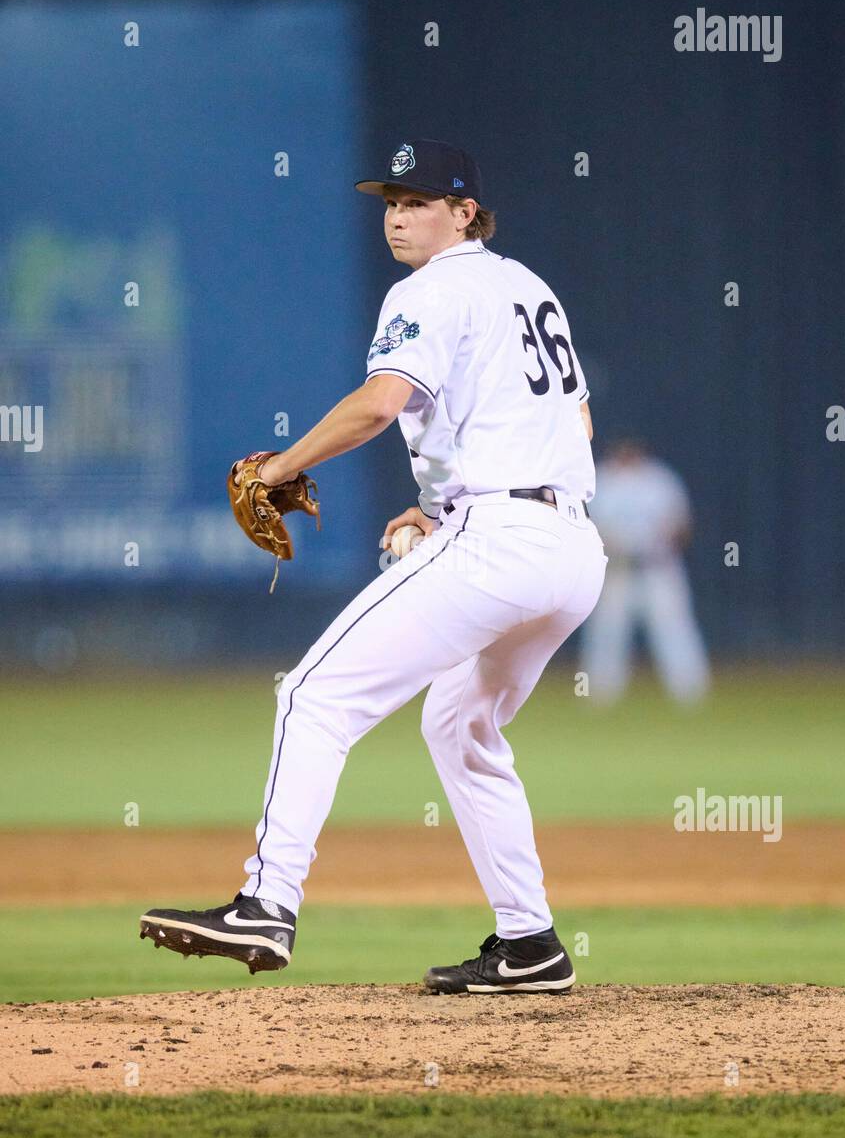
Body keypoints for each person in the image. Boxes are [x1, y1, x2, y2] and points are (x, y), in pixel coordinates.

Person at [140, 138, 607, 994]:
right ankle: (531, 941)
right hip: (573, 547)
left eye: (420, 199)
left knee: (313, 695)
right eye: (391, 199)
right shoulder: (527, 286)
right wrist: (446, 507)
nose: (398, 213)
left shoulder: (429, 289)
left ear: (465, 212)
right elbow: (573, 426)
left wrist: (279, 467)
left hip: (503, 539)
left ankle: (265, 902)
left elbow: (378, 404)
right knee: (460, 725)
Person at [579, 440, 710, 703]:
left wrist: (663, 540)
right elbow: (586, 524)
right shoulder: (600, 479)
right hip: (617, 568)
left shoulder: (658, 479)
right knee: (607, 634)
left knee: (674, 629)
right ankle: (599, 694)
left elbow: (681, 524)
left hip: (657, 567)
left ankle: (690, 691)